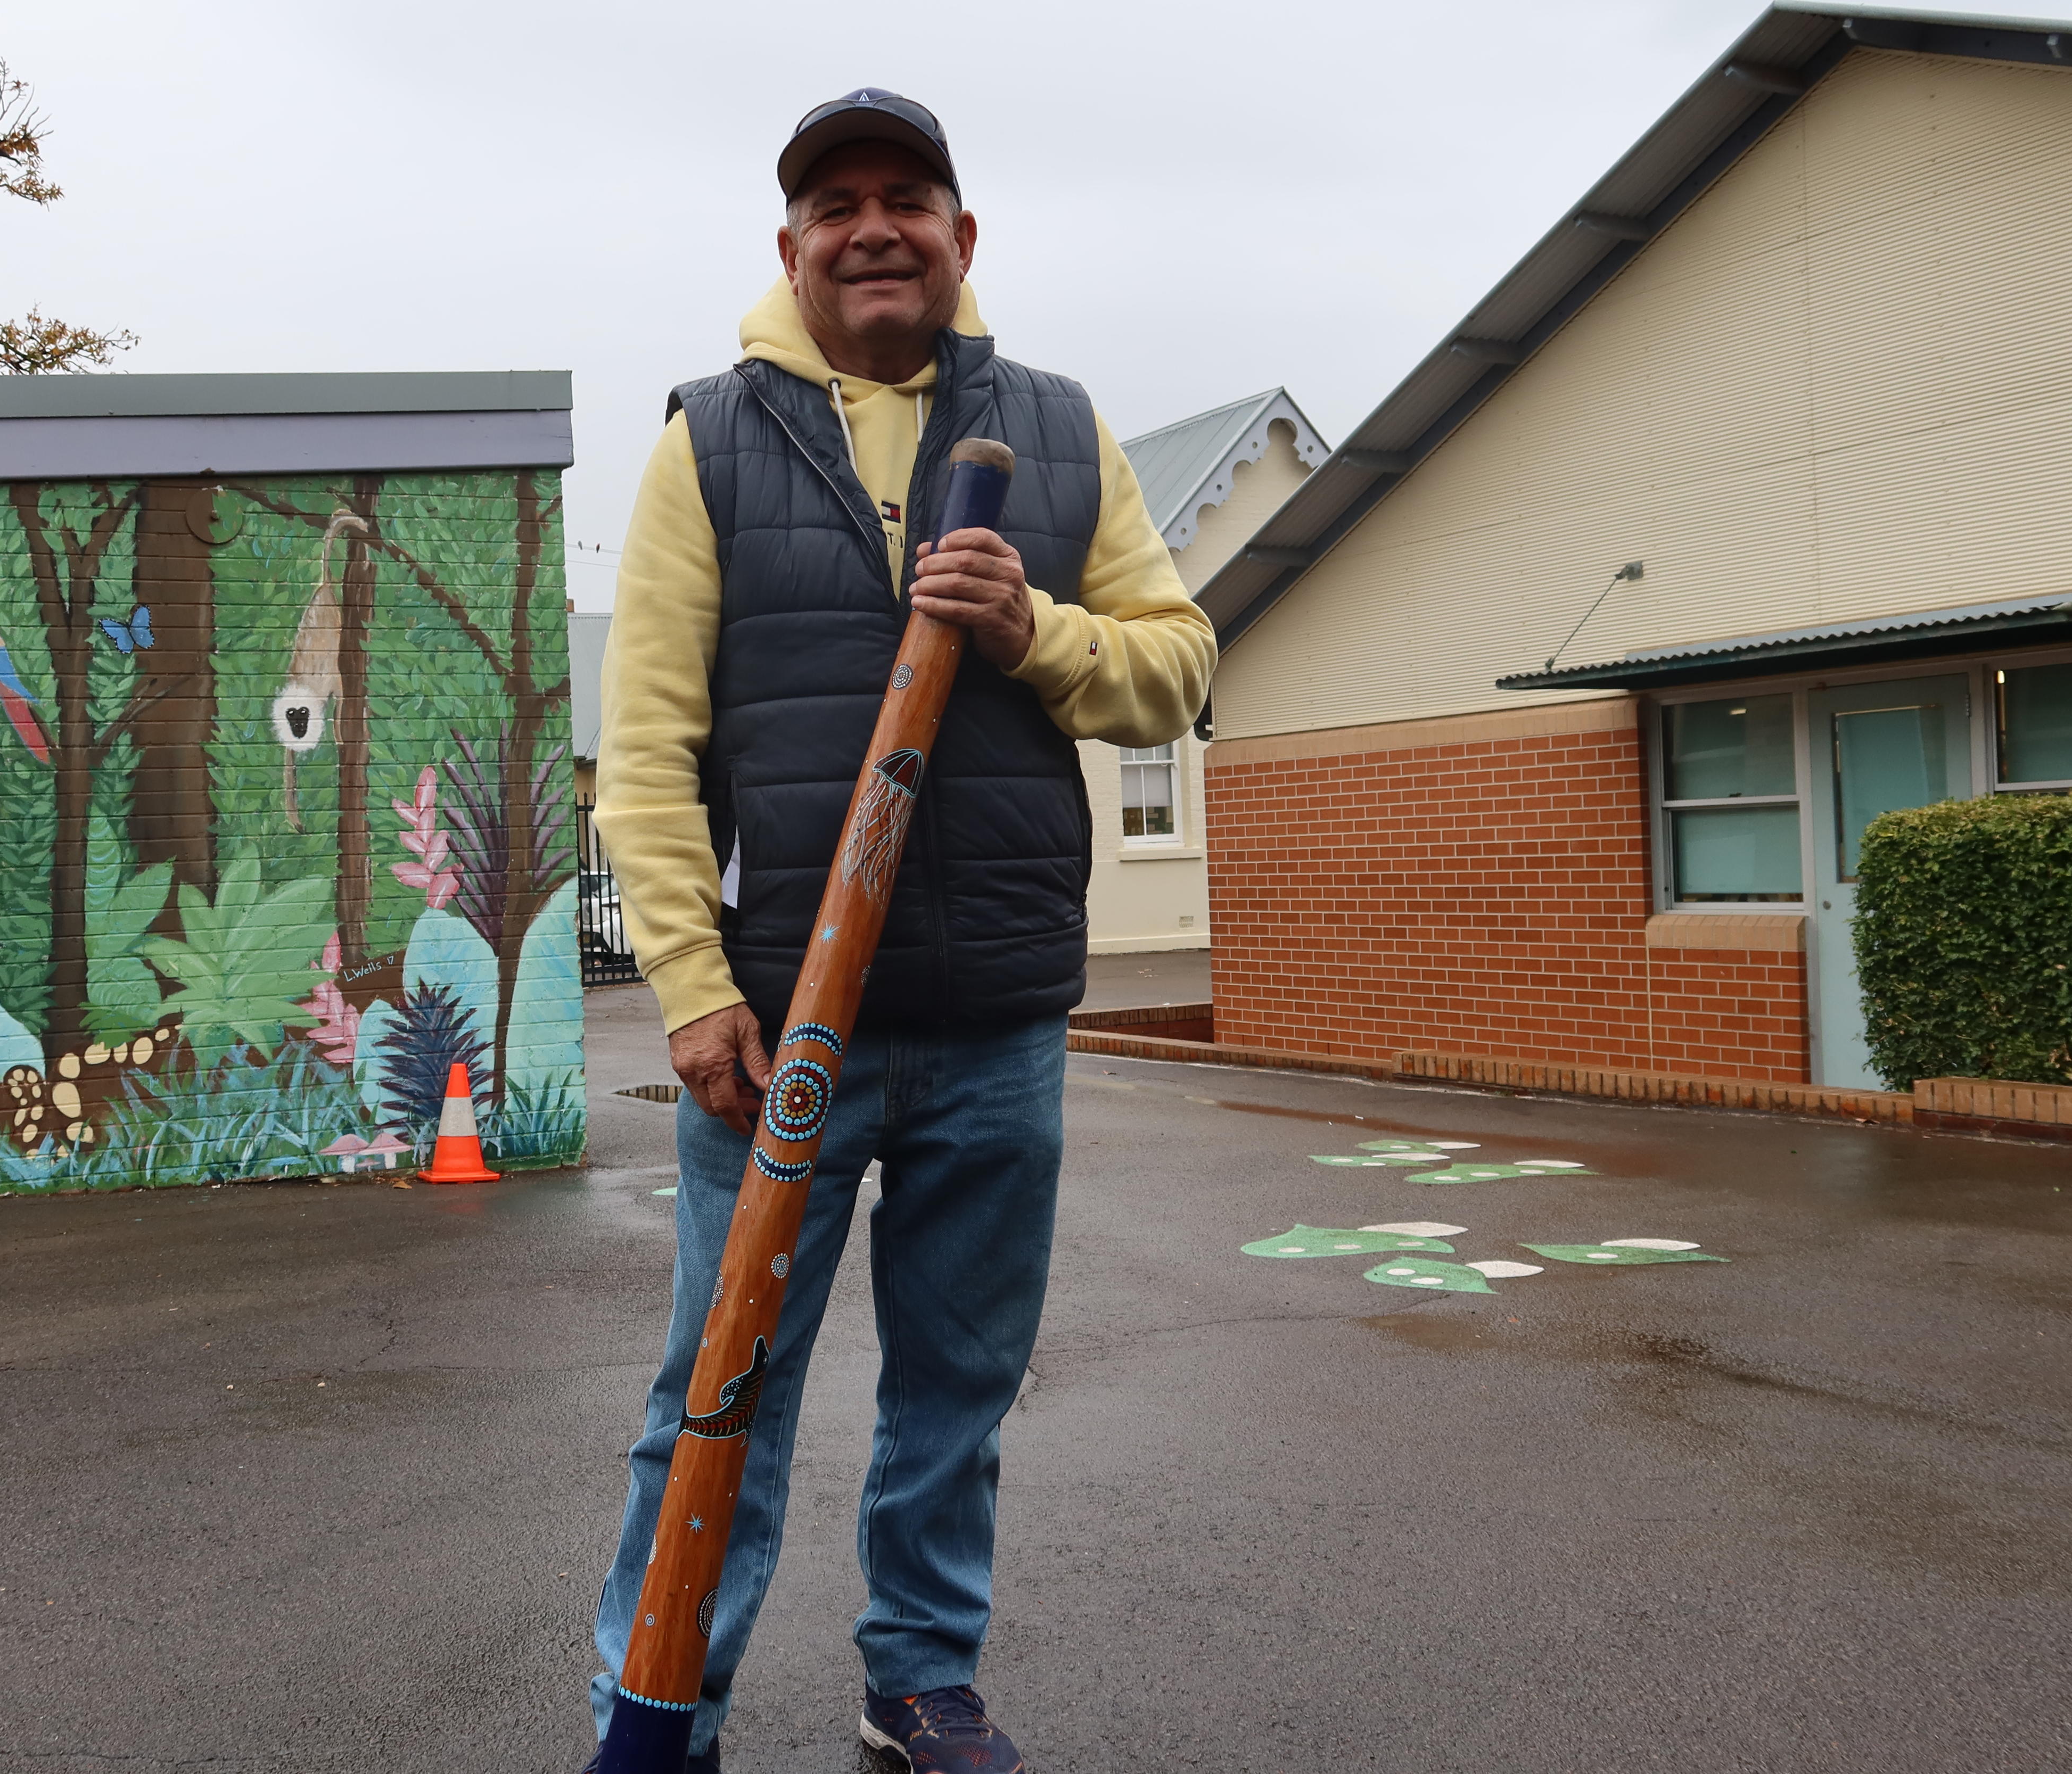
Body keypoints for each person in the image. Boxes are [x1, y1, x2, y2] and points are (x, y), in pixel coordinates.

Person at [582, 88, 1215, 1773]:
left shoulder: (1064, 433)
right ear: (789, 248)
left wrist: (1035, 629)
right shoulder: (707, 440)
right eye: (839, 204)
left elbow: (1183, 665)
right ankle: (660, 1705)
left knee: (956, 1394)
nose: (876, 228)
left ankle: (918, 1677)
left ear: (963, 236)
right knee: (718, 1396)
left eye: (909, 200)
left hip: (997, 1020)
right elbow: (645, 753)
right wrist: (693, 990)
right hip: (785, 1027)